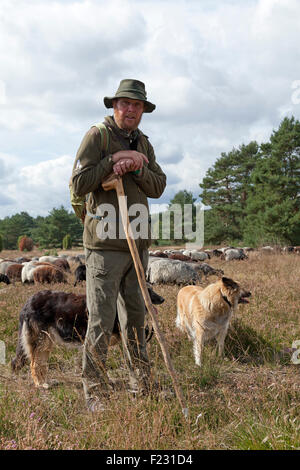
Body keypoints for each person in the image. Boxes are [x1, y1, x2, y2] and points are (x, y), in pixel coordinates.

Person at [71, 79, 166, 411]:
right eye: (125, 103)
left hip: (137, 243)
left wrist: (137, 164)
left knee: (136, 319)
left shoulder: (144, 143)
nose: (131, 110)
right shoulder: (97, 136)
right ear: (115, 106)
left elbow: (158, 186)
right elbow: (80, 183)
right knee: (100, 319)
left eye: (137, 105)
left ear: (142, 111)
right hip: (105, 247)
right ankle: (95, 391)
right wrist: (114, 161)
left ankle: (142, 384)